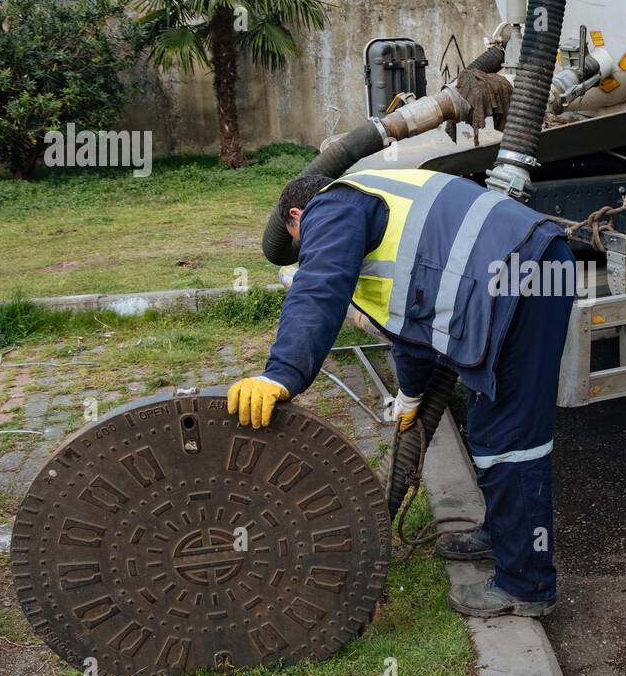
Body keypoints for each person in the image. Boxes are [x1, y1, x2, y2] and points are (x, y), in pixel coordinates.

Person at [228, 168, 576, 617]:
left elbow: (319, 289)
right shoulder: (374, 206)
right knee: (491, 424)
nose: (307, 249)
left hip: (524, 278)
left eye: (300, 242)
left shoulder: (333, 205)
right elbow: (413, 329)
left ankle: (526, 586)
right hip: (518, 275)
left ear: (298, 215)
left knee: (508, 440)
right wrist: (410, 396)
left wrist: (280, 374)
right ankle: (506, 535)